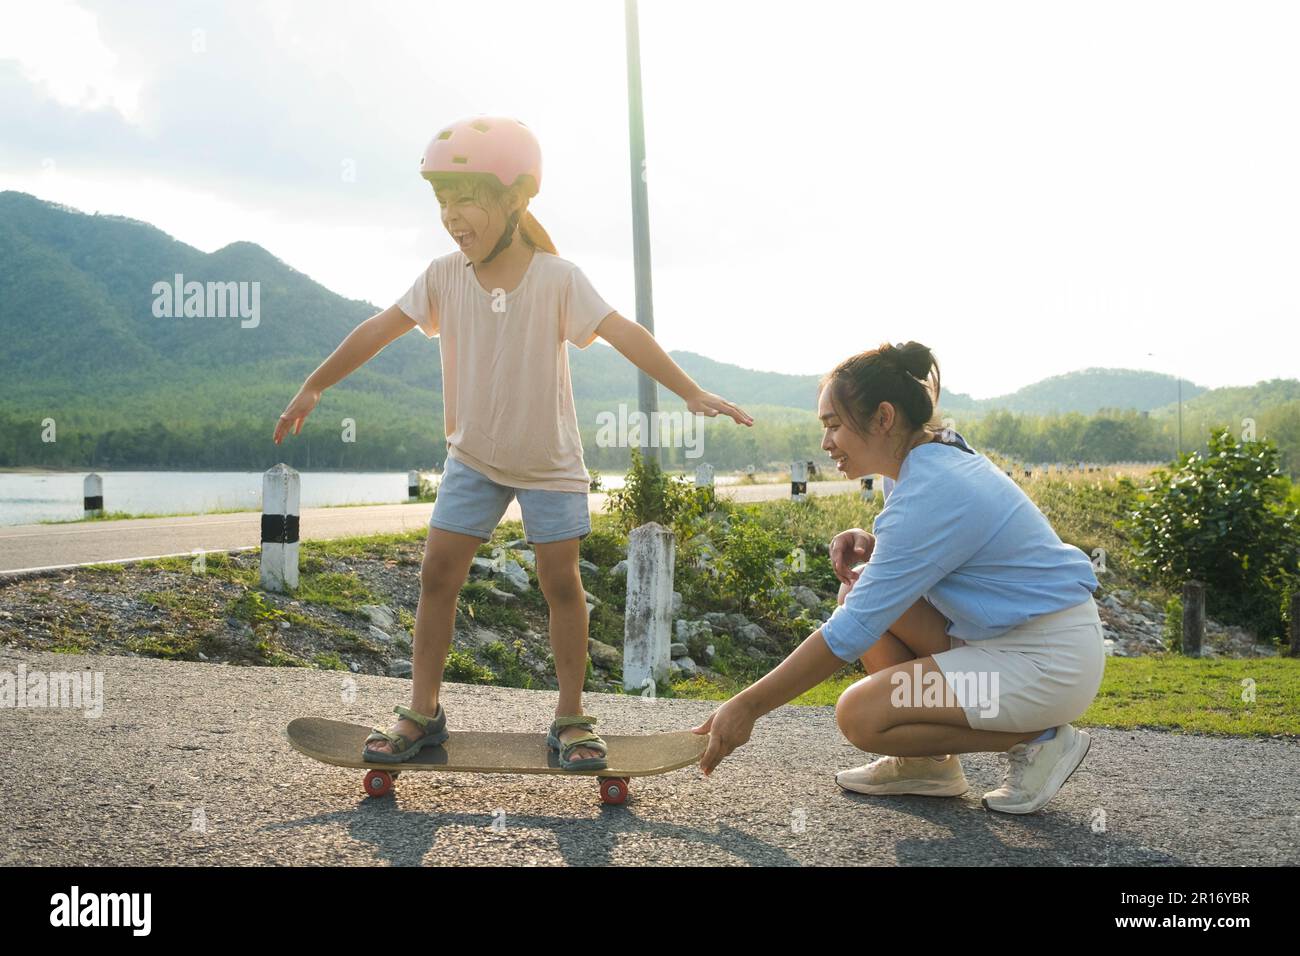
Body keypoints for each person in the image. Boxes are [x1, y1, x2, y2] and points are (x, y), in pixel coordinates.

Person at [274, 115, 751, 770]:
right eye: (442, 201)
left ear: (516, 198)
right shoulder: (443, 275)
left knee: (561, 585)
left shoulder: (558, 278)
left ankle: (571, 716)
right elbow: (378, 329)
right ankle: (422, 710)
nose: (451, 216)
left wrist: (688, 390)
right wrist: (314, 385)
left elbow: (621, 331)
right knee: (438, 573)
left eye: (465, 199)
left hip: (548, 463)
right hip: (472, 458)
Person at [693, 341, 1105, 814]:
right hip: (1013, 644)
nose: (825, 443)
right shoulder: (922, 464)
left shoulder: (930, 487)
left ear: (883, 418)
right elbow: (933, 550)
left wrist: (747, 707)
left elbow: (850, 634)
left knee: (860, 716)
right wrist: (877, 544)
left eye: (832, 425)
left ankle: (1040, 738)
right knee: (858, 589)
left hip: (1045, 665)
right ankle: (925, 762)